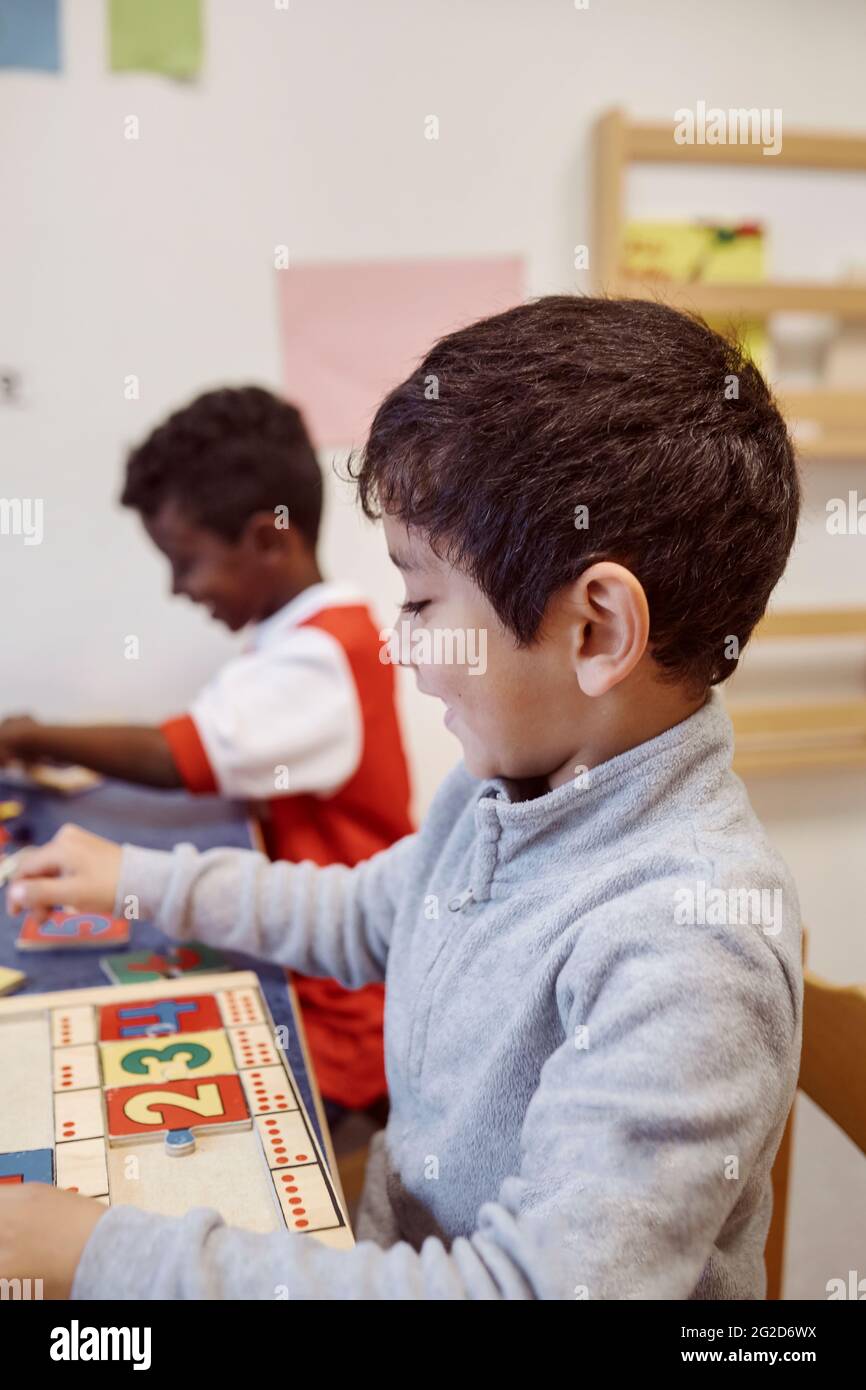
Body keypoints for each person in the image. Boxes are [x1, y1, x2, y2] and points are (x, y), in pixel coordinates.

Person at [3, 298, 802, 1299]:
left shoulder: (687, 950)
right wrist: (135, 878)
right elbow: (358, 913)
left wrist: (107, 1254)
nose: (399, 642)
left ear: (595, 631)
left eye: (421, 602)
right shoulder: (503, 794)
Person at [0, 387, 412, 1126]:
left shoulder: (325, 655)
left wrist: (31, 734)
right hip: (306, 958)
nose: (177, 589)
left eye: (185, 562)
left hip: (337, 1010)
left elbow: (177, 753)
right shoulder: (297, 635)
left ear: (266, 539)